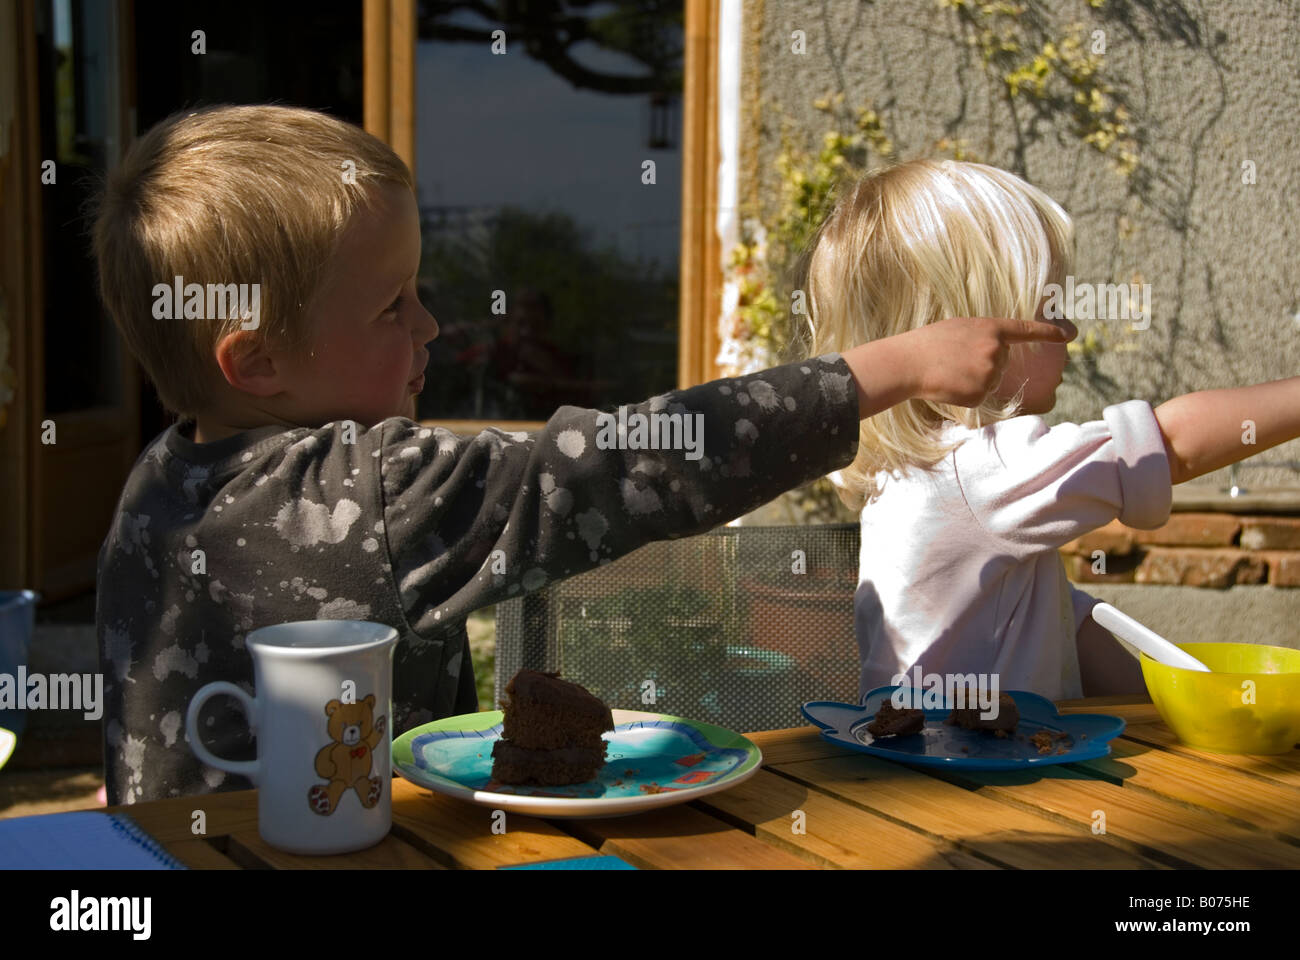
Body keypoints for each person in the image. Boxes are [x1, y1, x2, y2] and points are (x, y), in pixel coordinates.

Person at [91, 106, 1068, 804]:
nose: (429, 324)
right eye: (393, 306)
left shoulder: (158, 482)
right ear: (257, 361)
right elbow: (615, 468)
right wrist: (875, 371)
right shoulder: (364, 489)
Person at [799, 158, 1300, 702]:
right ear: (972, 332)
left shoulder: (914, 480)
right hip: (977, 779)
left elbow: (1067, 628)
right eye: (1051, 307)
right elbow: (1172, 445)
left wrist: (1175, 712)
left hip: (925, 774)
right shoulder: (975, 475)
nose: (1071, 330)